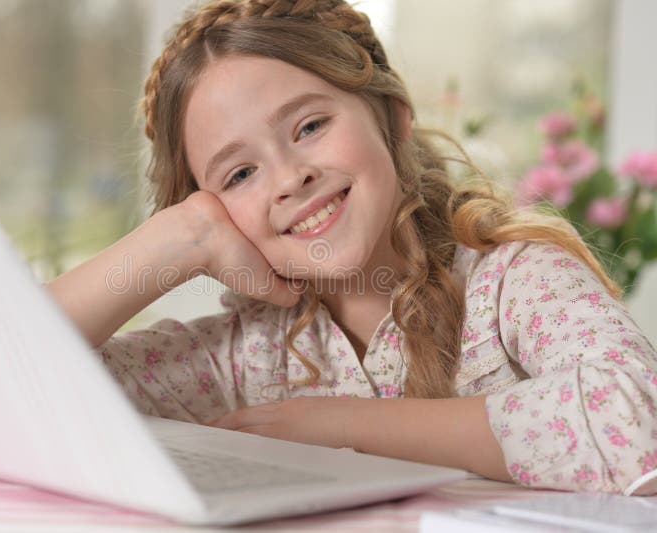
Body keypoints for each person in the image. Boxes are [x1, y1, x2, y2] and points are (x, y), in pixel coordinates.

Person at [46, 0, 657, 494]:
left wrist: (346, 426)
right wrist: (177, 240)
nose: (290, 178)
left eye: (310, 126)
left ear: (391, 120)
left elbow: (637, 424)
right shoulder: (251, 354)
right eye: (238, 175)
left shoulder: (515, 283)